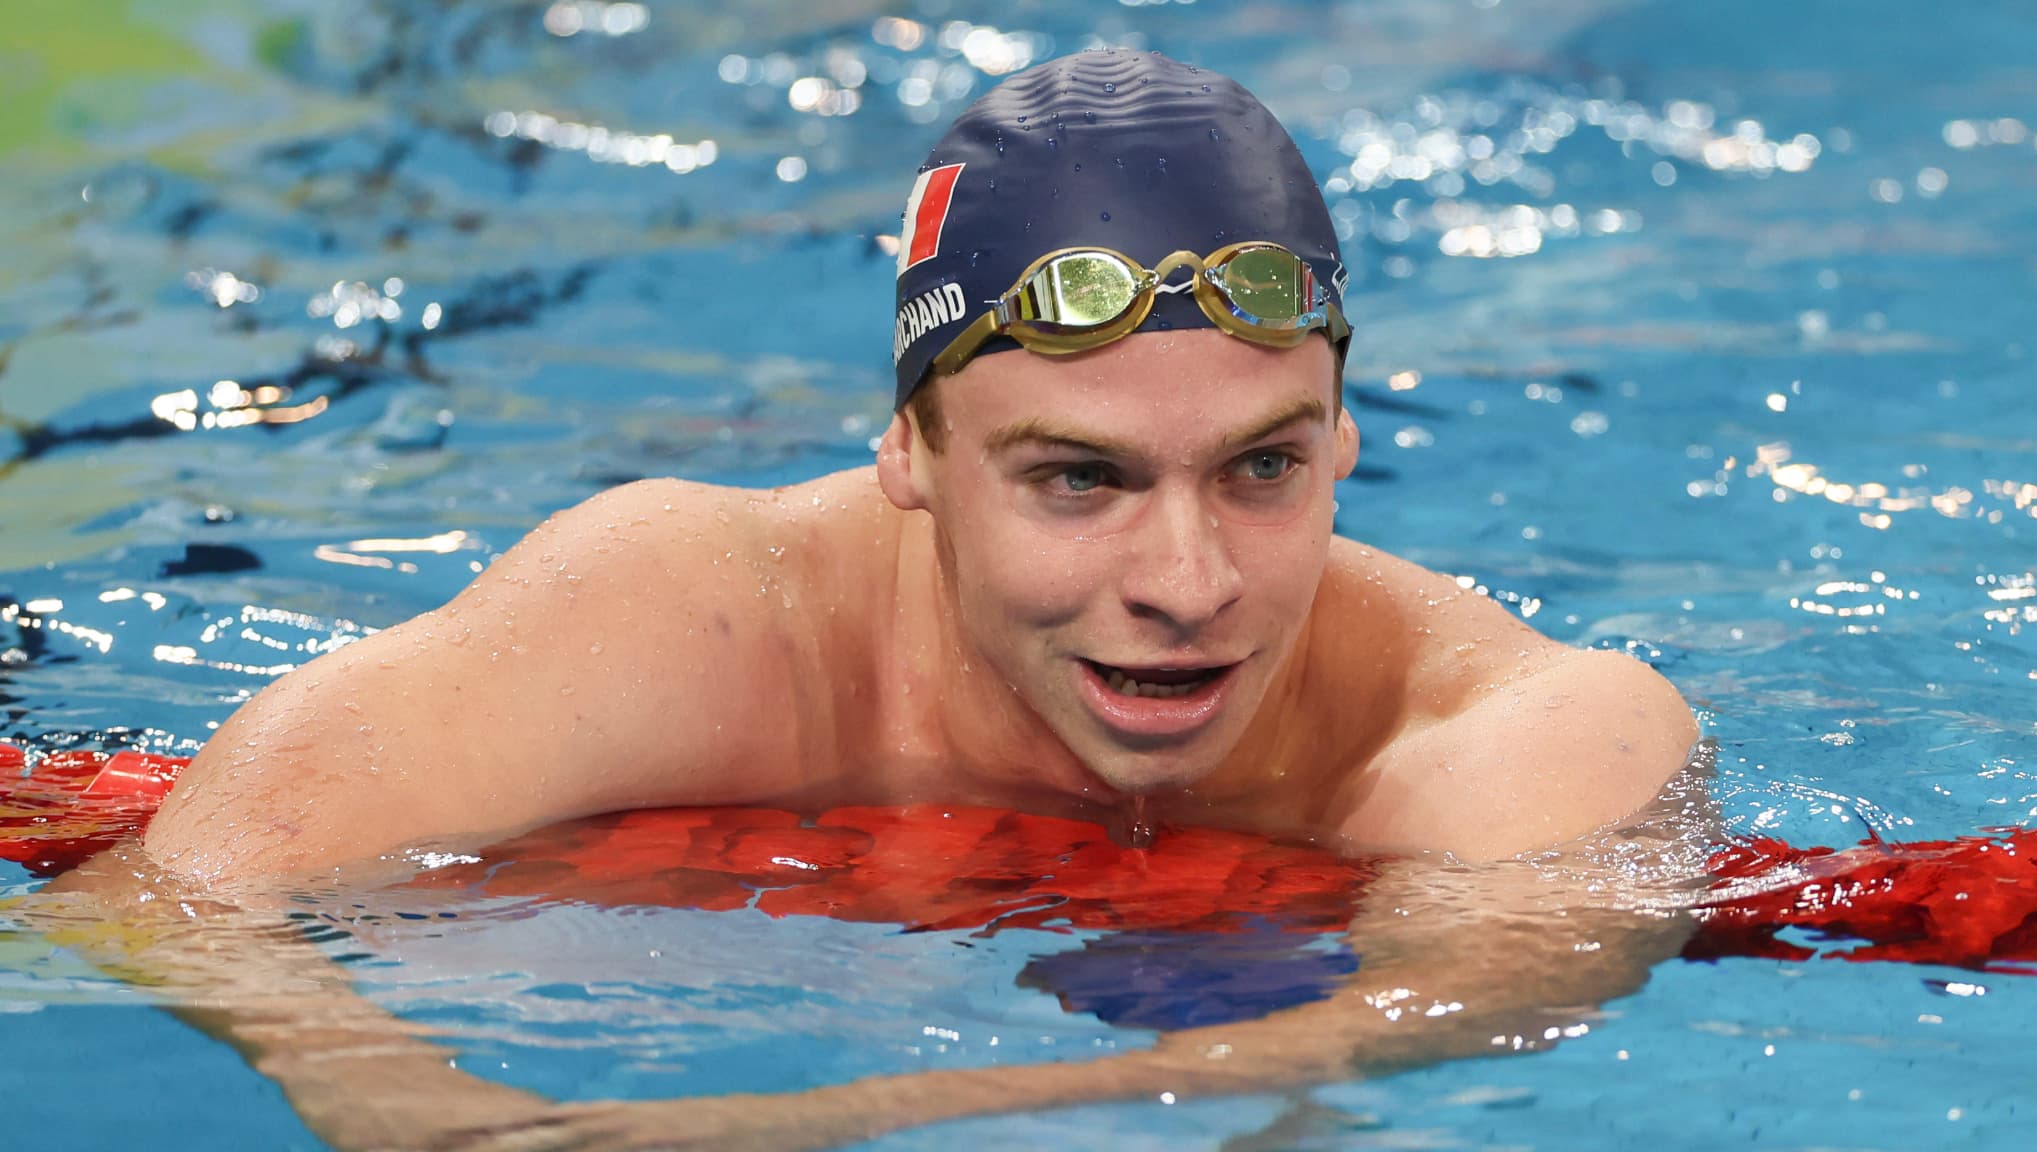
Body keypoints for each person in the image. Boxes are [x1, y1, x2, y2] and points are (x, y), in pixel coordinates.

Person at [34, 49, 1704, 1150]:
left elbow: (1433, 1028)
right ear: (908, 450)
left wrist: (793, 1127)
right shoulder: (697, 610)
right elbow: (168, 893)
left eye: (1261, 470)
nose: (1187, 586)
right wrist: (431, 1114)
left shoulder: (1528, 735)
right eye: (1078, 479)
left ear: (1344, 435)